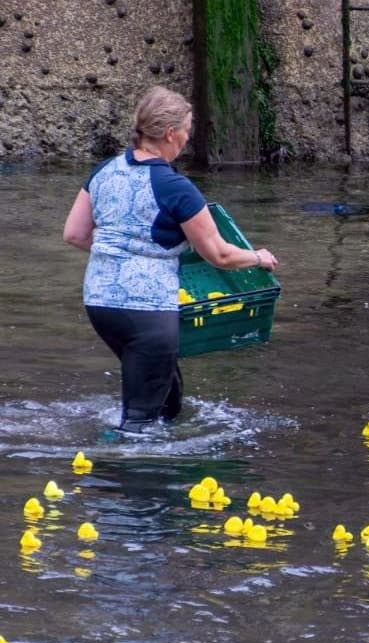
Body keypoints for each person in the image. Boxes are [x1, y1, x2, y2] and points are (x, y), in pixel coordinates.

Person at [62, 86, 279, 433]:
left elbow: (74, 233)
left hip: (100, 302)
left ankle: (120, 468)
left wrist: (124, 252)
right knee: (141, 422)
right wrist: (258, 257)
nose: (188, 138)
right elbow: (219, 254)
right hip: (146, 311)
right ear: (169, 133)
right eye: (187, 130)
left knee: (169, 396)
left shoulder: (105, 172)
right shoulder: (176, 187)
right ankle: (107, 476)